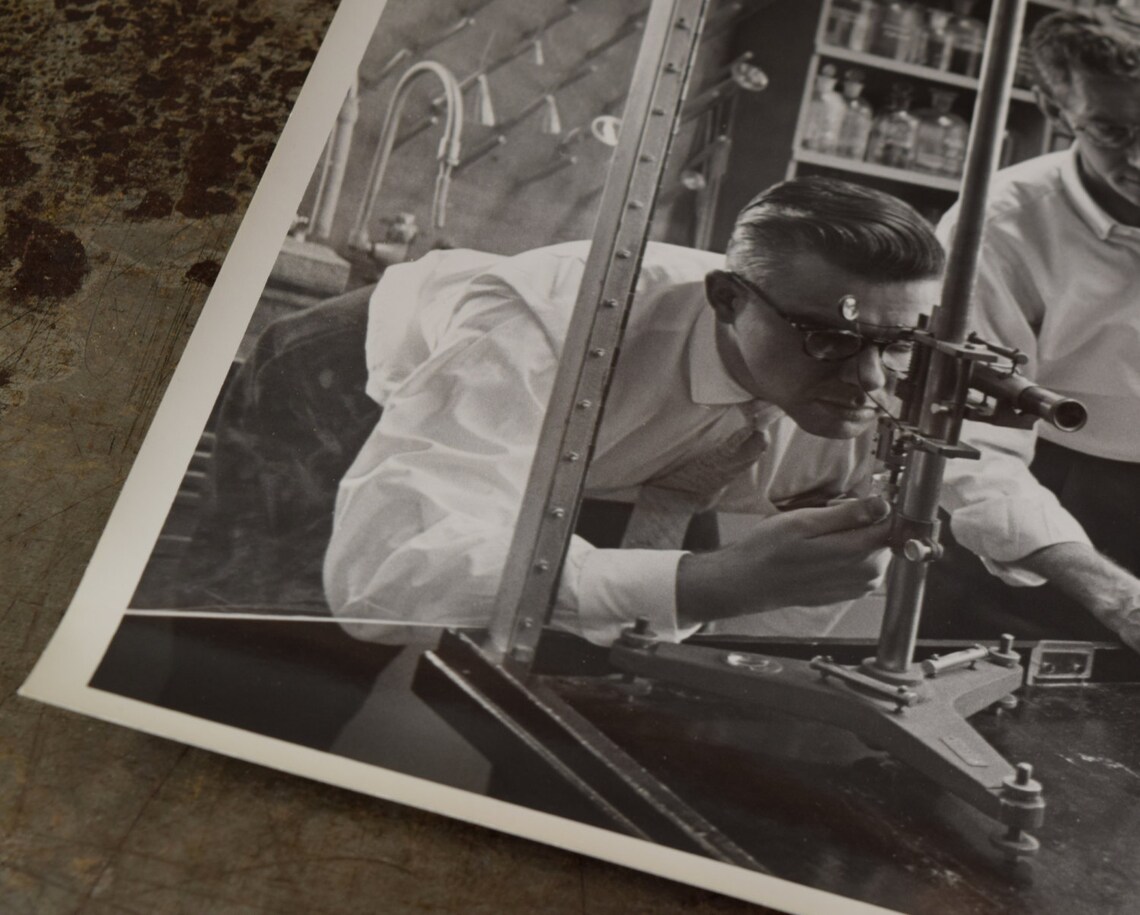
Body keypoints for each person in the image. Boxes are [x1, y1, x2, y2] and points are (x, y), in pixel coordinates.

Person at [323, 176, 944, 646]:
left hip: (625, 466)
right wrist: (703, 584)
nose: (868, 380)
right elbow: (383, 575)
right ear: (728, 300)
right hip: (353, 386)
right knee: (309, 657)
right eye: (828, 338)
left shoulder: (881, 383)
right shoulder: (561, 322)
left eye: (895, 344)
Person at [929, 7, 1140, 652]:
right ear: (1054, 108)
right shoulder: (998, 231)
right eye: (1111, 131)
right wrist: (1118, 596)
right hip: (1047, 495)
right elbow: (974, 448)